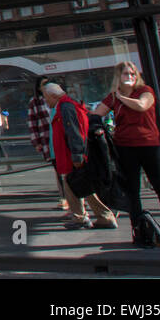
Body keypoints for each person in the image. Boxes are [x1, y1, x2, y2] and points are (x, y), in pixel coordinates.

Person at [94, 62, 160, 247]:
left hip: (150, 145)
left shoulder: (144, 90)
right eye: (126, 73)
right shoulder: (113, 97)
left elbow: (142, 106)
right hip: (125, 147)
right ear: (119, 76)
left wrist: (120, 97)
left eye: (132, 73)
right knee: (132, 191)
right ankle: (138, 229)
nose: (130, 76)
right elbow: (95, 114)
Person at [43, 82, 116, 230]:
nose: (46, 101)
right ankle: (88, 216)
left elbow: (73, 131)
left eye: (46, 97)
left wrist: (77, 154)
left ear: (53, 95)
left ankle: (92, 217)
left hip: (71, 154)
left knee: (79, 184)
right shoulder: (67, 105)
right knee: (77, 184)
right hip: (71, 154)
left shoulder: (65, 107)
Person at [28, 77, 68, 212]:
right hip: (48, 139)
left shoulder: (60, 100)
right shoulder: (35, 102)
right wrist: (36, 142)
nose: (47, 86)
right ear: (39, 88)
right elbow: (32, 122)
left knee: (68, 169)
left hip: (63, 139)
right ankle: (65, 198)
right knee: (59, 169)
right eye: (44, 84)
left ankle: (74, 199)